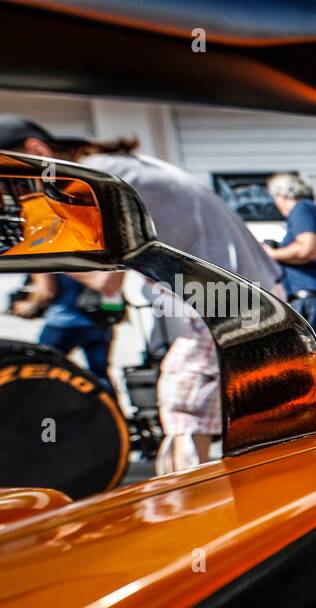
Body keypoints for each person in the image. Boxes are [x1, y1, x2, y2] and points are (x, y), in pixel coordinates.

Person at [0, 114, 281, 474]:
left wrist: (37, 256)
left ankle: (192, 507)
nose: (16, 195)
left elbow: (106, 283)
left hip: (225, 297)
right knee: (215, 407)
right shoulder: (116, 165)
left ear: (37, 152)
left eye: (13, 182)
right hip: (239, 288)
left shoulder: (85, 184)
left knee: (183, 406)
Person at [10, 272, 122, 385]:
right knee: (100, 374)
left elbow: (46, 292)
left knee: (43, 369)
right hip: (99, 321)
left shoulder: (50, 258)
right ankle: (107, 402)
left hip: (62, 322)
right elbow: (111, 287)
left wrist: (29, 305)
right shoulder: (103, 259)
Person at [265, 173, 316, 338]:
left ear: (283, 195)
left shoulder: (302, 209)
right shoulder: (309, 210)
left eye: (275, 198)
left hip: (310, 303)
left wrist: (272, 253)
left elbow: (309, 249)